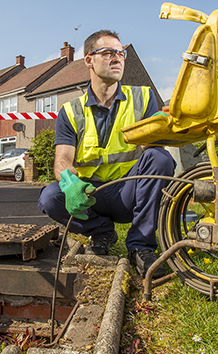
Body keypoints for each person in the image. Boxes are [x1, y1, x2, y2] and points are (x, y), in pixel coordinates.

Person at [38, 30, 175, 277]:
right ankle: (102, 232)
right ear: (89, 60)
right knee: (50, 197)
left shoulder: (142, 98)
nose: (117, 58)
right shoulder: (70, 111)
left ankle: (141, 246)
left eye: (120, 53)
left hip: (129, 191)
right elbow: (63, 160)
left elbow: (152, 153)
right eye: (108, 52)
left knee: (160, 158)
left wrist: (160, 128)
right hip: (92, 195)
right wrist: (69, 182)